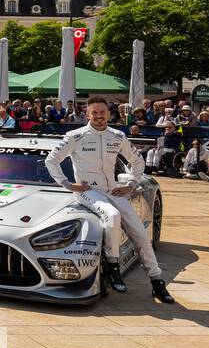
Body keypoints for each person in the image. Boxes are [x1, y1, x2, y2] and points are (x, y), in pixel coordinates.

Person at [44, 95, 172, 303]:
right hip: (87, 191)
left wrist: (130, 184)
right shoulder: (75, 136)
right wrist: (67, 184)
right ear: (87, 114)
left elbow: (138, 162)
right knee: (112, 216)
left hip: (112, 190)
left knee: (140, 232)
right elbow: (52, 160)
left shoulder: (117, 136)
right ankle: (114, 266)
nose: (98, 116)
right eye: (94, 113)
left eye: (102, 113)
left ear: (109, 114)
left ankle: (157, 281)